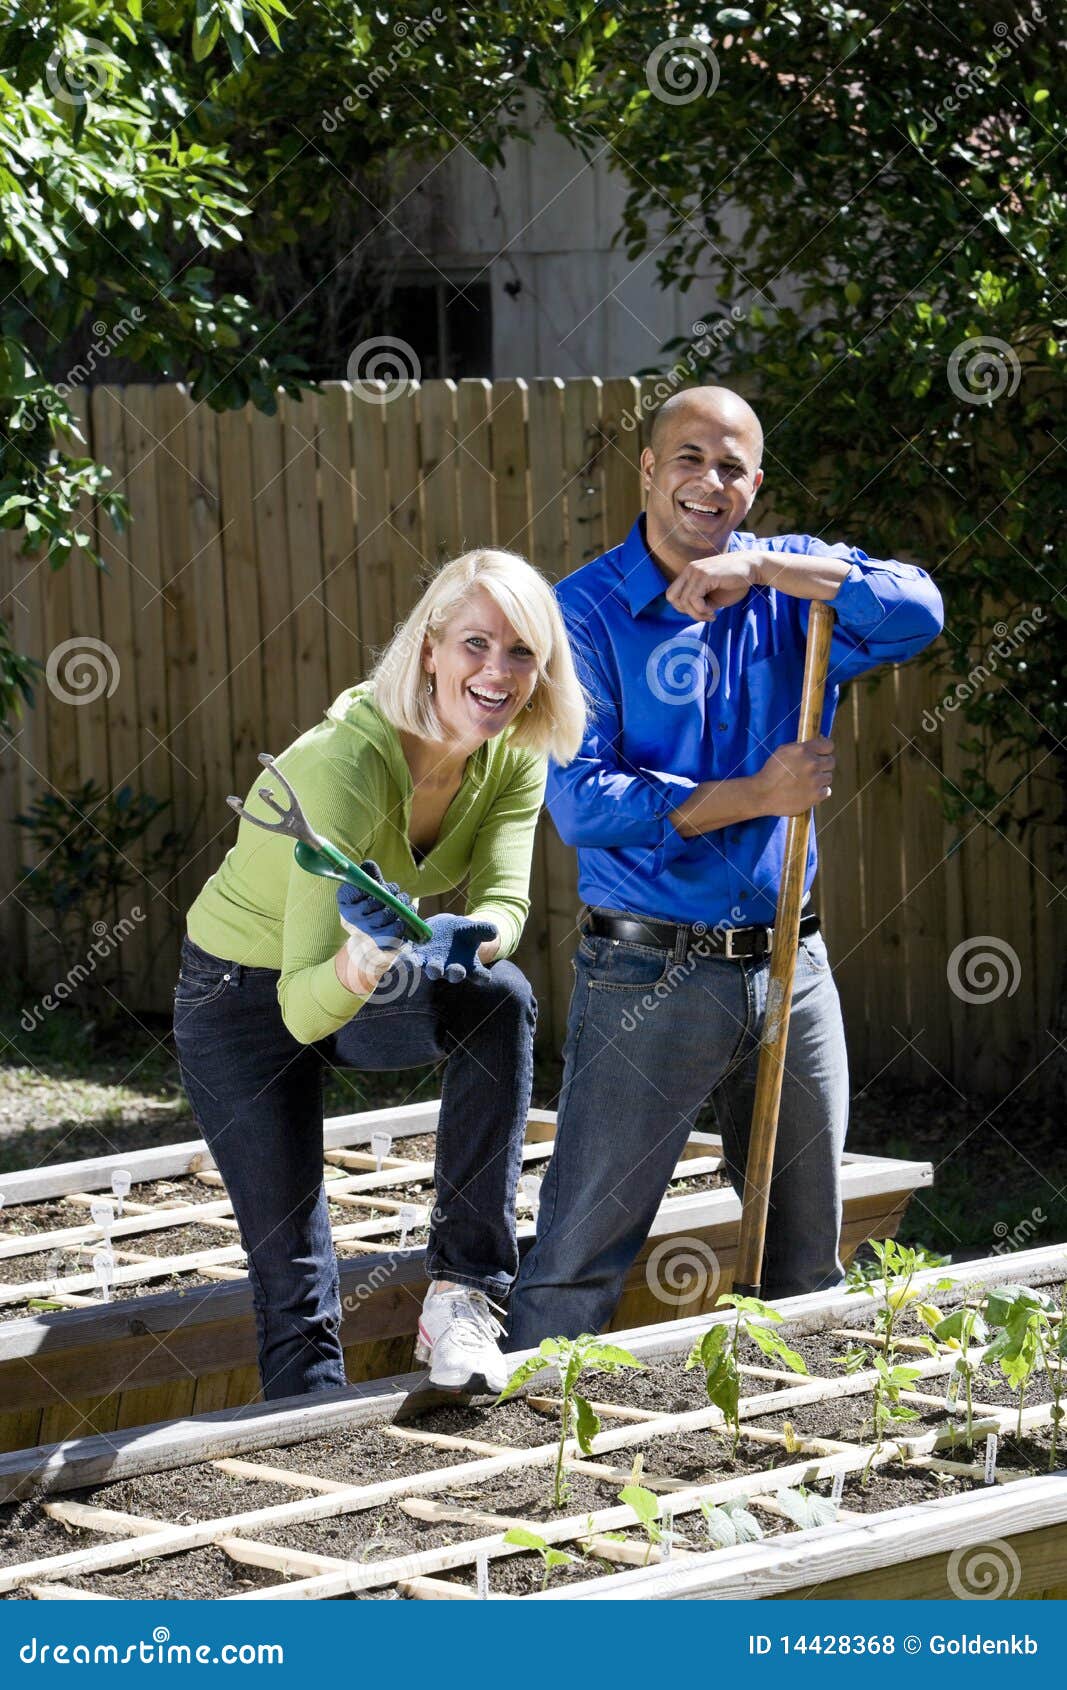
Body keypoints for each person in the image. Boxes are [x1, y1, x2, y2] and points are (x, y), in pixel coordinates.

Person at [507, 384, 944, 1348]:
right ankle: (526, 1459)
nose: (711, 482)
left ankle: (801, 1454)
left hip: (793, 962)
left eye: (733, 466)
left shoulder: (787, 589)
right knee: (579, 1256)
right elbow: (582, 805)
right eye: (691, 458)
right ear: (649, 471)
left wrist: (766, 571)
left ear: (754, 485)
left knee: (804, 1257)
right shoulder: (580, 614)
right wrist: (756, 793)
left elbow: (918, 610)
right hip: (648, 973)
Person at [173, 548, 585, 1399]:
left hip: (359, 978)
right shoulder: (340, 768)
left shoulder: (513, 752)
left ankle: (463, 1298)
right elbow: (297, 1010)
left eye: (520, 653)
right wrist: (364, 957)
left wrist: (471, 936)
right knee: (294, 1274)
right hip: (242, 999)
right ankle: (312, 1436)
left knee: (497, 1000)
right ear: (428, 648)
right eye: (476, 644)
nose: (497, 673)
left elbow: (507, 902)